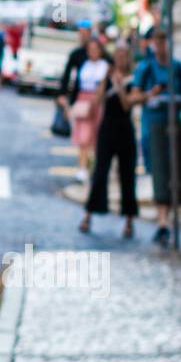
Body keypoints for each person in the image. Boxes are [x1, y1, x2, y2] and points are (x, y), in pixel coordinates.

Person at [130, 30, 181, 245]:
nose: (162, 45)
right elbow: (134, 96)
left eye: (165, 40)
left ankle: (169, 221)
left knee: (177, 172)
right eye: (158, 40)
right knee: (159, 172)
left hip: (176, 128)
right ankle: (163, 222)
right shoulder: (146, 68)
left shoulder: (179, 68)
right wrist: (151, 95)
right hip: (154, 128)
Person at [79, 46, 138, 238]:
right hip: (107, 128)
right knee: (100, 171)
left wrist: (120, 86)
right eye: (118, 56)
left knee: (127, 175)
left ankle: (129, 220)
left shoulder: (133, 79)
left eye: (123, 56)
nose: (120, 59)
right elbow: (98, 100)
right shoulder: (109, 76)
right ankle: (88, 215)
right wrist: (107, 79)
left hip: (125, 130)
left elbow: (127, 105)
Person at [68, 37, 109, 181]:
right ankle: (82, 167)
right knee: (83, 137)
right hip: (83, 99)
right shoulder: (85, 64)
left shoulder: (104, 66)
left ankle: (94, 168)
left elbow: (102, 87)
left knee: (96, 136)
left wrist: (95, 102)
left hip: (95, 101)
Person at [57, 20, 93, 112]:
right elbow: (66, 75)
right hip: (79, 94)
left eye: (85, 33)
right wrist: (62, 94)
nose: (83, 36)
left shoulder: (98, 53)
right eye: (81, 34)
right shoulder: (76, 54)